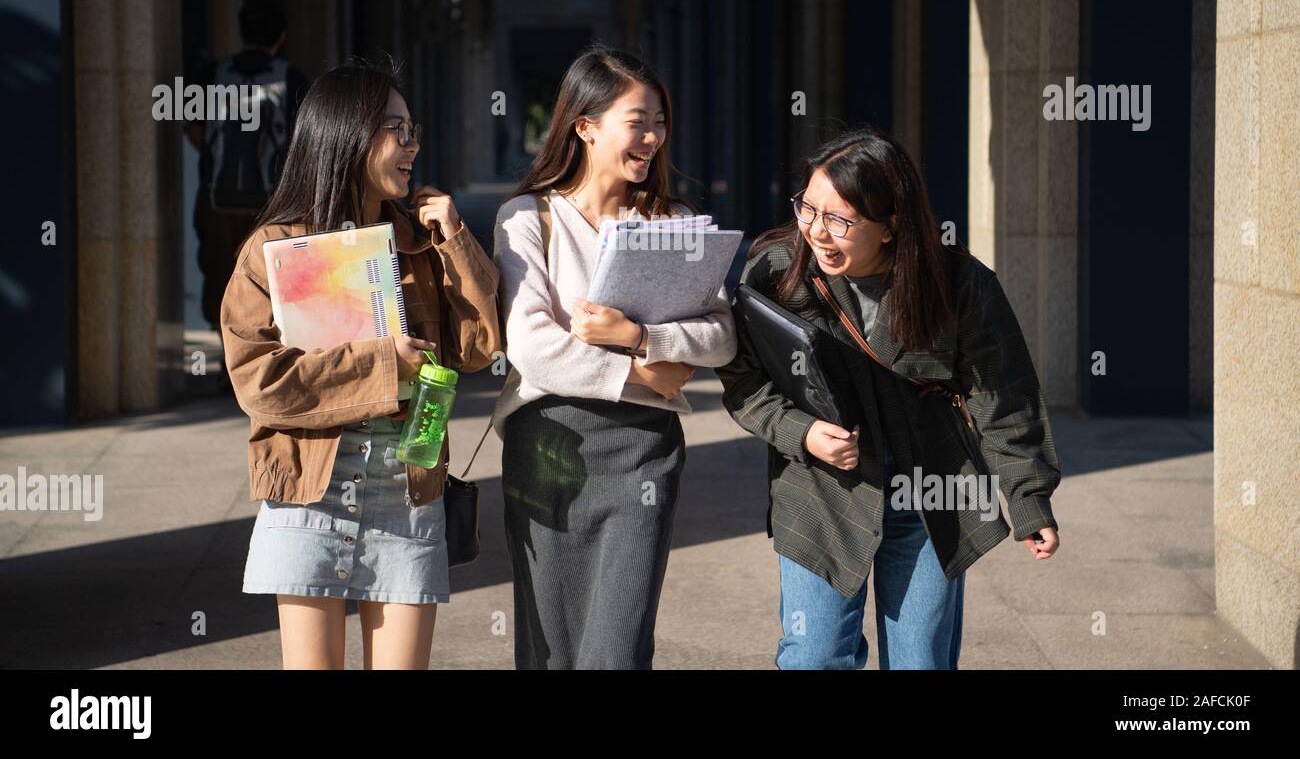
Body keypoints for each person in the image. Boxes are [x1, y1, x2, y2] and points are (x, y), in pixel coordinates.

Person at [715, 126, 1061, 669]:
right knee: (814, 656)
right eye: (808, 209)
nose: (816, 232)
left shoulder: (957, 283)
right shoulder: (777, 274)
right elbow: (742, 379)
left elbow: (1003, 395)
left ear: (890, 226)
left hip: (932, 490)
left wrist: (1028, 496)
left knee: (920, 659)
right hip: (822, 491)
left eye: (840, 220)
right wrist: (800, 431)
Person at [220, 57, 502, 669]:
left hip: (406, 493)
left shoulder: (421, 243)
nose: (412, 145)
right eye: (395, 130)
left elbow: (479, 348)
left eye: (413, 130)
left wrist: (454, 236)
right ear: (348, 135)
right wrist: (384, 365)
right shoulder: (274, 249)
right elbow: (259, 382)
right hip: (307, 491)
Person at [491, 44, 738, 668]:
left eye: (659, 121)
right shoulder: (528, 219)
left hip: (643, 451)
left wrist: (636, 337)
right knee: (550, 646)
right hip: (547, 445)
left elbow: (723, 334)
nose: (653, 136)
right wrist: (647, 373)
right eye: (638, 120)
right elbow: (532, 346)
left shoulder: (675, 222)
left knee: (618, 647)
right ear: (585, 126)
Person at [189, 0, 312, 331]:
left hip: (218, 199)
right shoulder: (292, 78)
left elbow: (194, 128)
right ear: (281, 36)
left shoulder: (214, 74)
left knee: (220, 276)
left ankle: (224, 361)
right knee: (271, 279)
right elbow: (305, 141)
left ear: (240, 32)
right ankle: (263, 356)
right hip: (273, 205)